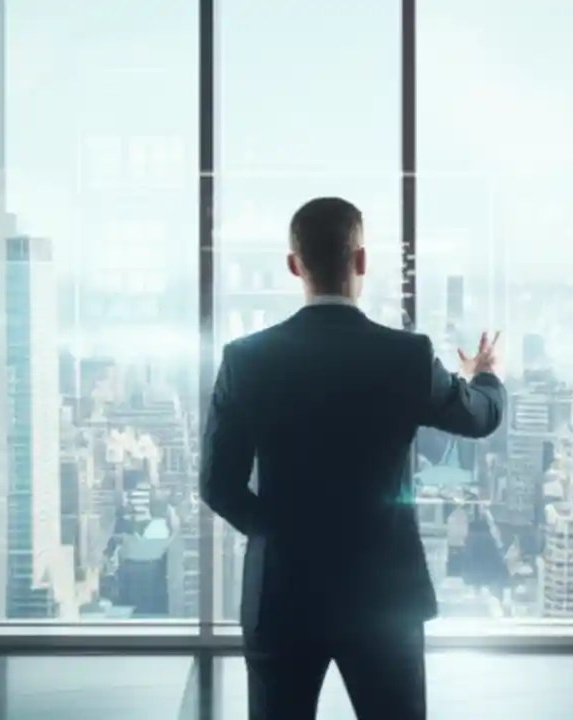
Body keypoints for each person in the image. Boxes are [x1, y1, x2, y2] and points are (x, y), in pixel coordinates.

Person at [200, 196, 506, 719]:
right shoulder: (404, 356)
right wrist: (484, 374)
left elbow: (217, 485)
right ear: (361, 260)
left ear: (295, 265)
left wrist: (281, 533)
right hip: (384, 594)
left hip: (283, 593)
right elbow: (479, 418)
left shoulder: (246, 360)